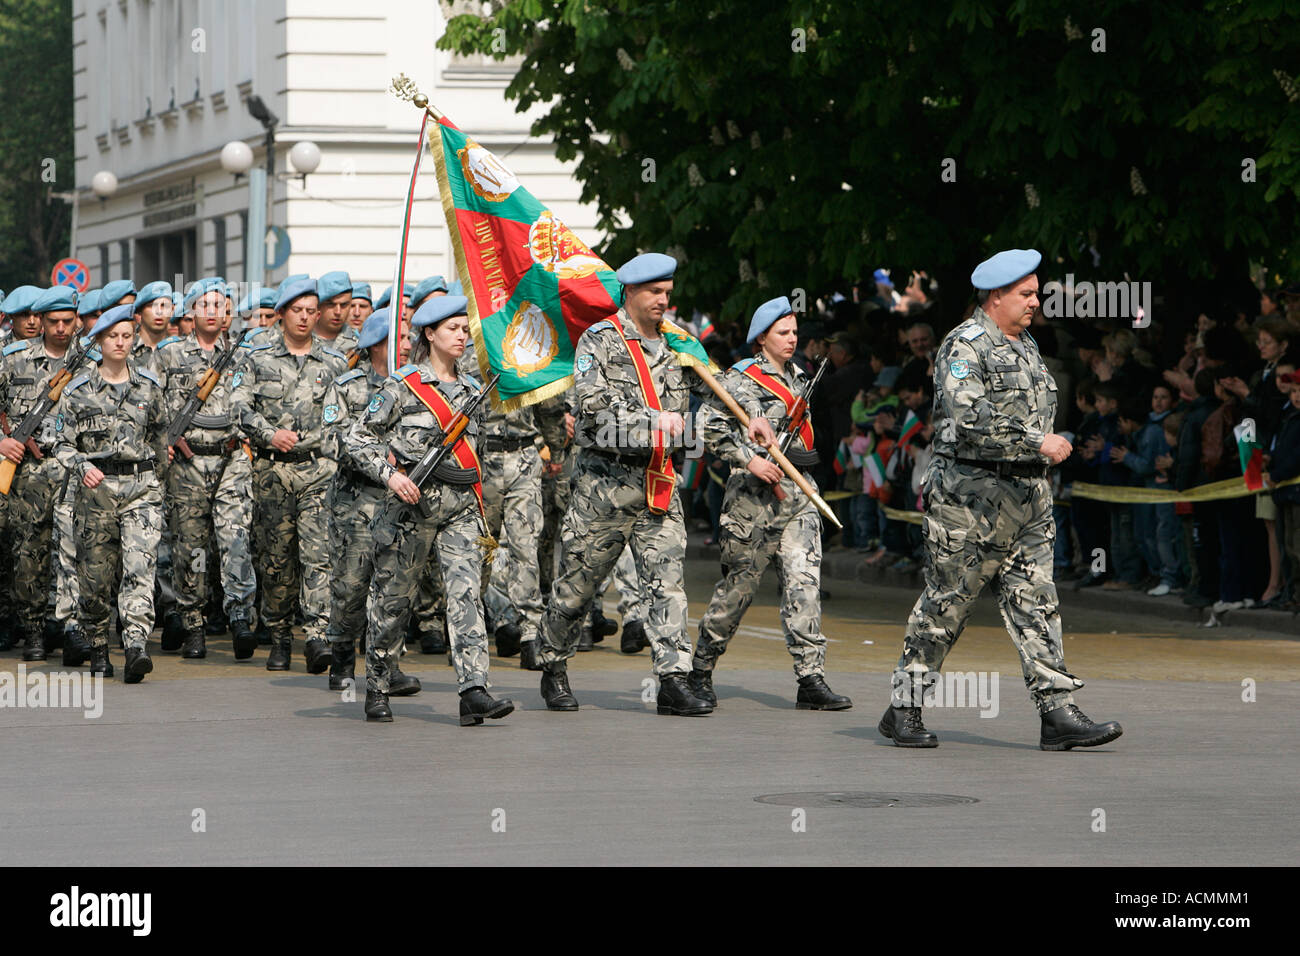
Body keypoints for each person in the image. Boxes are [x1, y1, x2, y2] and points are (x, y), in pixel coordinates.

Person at [880, 248, 1122, 751]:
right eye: (1026, 294)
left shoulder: (1027, 344)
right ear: (996, 297)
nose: (1036, 301)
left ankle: (1057, 712)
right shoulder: (964, 345)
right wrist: (1037, 442)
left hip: (1027, 499)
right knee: (947, 604)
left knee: (1037, 603)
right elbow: (967, 420)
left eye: (1036, 292)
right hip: (971, 501)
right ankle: (905, 705)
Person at [536, 252, 715, 716]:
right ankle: (553, 664)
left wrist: (748, 425)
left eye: (667, 294)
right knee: (577, 586)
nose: (662, 302)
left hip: (658, 484)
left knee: (667, 583)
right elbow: (593, 415)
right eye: (654, 293)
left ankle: (672, 679)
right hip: (604, 489)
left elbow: (713, 402)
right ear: (630, 292)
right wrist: (660, 422)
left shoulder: (679, 345)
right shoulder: (601, 340)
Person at [344, 294, 514, 725]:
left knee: (465, 597)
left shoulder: (475, 391)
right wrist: (390, 475)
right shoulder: (402, 385)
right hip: (409, 510)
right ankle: (379, 683)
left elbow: (480, 454)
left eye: (464, 329)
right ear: (429, 334)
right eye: (453, 329)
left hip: (461, 509)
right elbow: (357, 438)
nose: (461, 336)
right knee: (393, 602)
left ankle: (474, 690)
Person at [692, 296, 851, 709]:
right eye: (783, 332)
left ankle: (810, 678)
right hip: (752, 500)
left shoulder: (802, 377)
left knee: (805, 584)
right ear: (761, 338)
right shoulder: (740, 379)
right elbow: (707, 427)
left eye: (795, 332)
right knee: (738, 590)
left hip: (799, 493)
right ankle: (700, 669)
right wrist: (750, 459)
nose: (792, 339)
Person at [231, 278, 349, 672]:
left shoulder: (333, 362)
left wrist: (315, 441)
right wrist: (269, 434)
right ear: (281, 314)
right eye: (296, 310)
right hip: (272, 472)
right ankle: (280, 636)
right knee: (277, 558)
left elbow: (340, 417)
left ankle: (316, 636)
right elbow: (239, 407)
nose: (304, 318)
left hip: (318, 470)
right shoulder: (257, 357)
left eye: (310, 311)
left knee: (319, 556)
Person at [52, 303, 170, 682]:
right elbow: (59, 441)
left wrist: (157, 484)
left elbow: (159, 437)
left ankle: (136, 645)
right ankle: (99, 644)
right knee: (96, 577)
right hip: (96, 490)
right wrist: (81, 465)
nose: (120, 343)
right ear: (99, 341)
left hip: (140, 489)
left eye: (126, 336)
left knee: (140, 568)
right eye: (112, 337)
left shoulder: (148, 386)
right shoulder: (78, 390)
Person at [158, 277, 259, 661]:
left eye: (221, 305)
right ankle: (194, 623)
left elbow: (252, 403)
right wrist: (169, 434)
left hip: (231, 458)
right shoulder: (169, 355)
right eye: (206, 305)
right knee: (191, 546)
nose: (214, 313)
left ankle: (239, 619)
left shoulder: (241, 355)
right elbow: (153, 400)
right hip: (189, 462)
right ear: (191, 311)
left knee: (235, 542)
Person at [320, 308, 419, 696]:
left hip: (400, 501)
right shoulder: (347, 387)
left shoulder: (414, 387)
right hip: (356, 502)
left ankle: (386, 663)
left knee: (394, 587)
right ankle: (342, 657)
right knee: (351, 585)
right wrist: (381, 458)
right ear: (378, 343)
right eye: (402, 338)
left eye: (411, 337)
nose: (410, 345)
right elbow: (332, 440)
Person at [0, 285, 88, 664]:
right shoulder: (14, 359)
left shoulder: (88, 362)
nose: (59, 329)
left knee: (74, 552)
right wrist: (1, 443)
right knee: (28, 553)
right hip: (29, 472)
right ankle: (33, 628)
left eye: (68, 322)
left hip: (74, 469)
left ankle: (70, 627)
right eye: (53, 322)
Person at [314, 271, 355, 347]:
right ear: (318, 305)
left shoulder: (359, 345)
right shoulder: (301, 340)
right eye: (331, 304)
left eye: (344, 305)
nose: (338, 312)